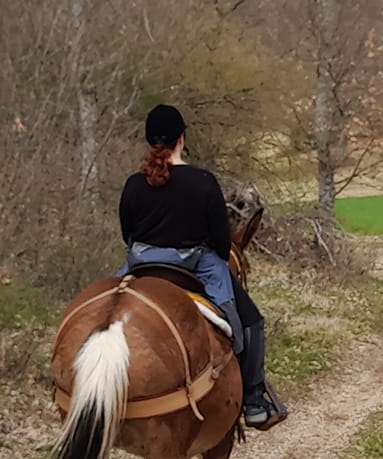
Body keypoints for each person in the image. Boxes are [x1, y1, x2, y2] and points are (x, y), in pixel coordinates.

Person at [118, 104, 280, 429]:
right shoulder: (203, 181)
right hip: (196, 264)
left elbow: (128, 235)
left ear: (150, 140)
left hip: (141, 264)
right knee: (251, 322)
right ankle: (252, 401)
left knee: (109, 308)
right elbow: (221, 243)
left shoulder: (134, 184)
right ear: (182, 138)